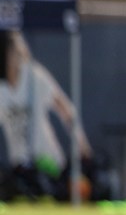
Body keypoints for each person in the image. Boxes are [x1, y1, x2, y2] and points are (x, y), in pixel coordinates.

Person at [0, 30, 92, 201]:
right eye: (12, 48)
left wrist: (82, 145)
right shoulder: (2, 88)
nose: (19, 51)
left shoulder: (34, 76)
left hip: (50, 163)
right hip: (21, 168)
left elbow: (66, 109)